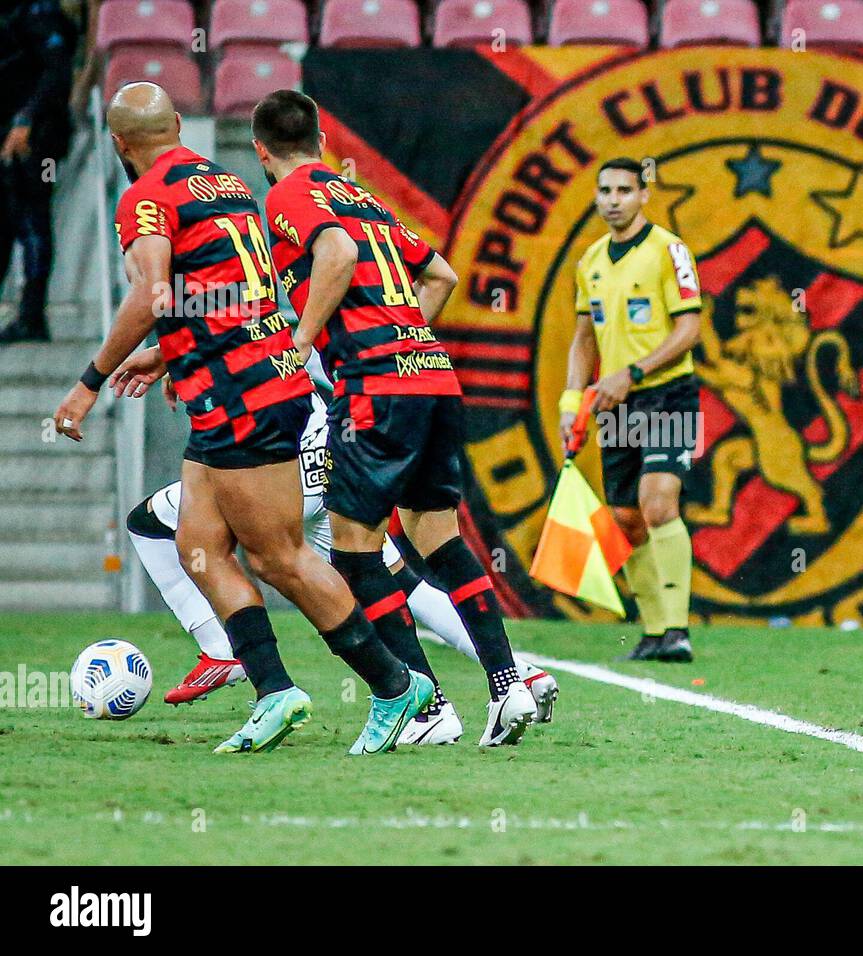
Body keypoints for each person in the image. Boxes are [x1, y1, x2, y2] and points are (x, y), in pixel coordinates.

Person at [56, 82, 433, 756]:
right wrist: (168, 357)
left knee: (278, 556)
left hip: (244, 397)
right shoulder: (226, 184)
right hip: (245, 381)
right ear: (175, 124)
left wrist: (90, 383)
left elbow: (152, 291)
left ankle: (393, 684)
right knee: (197, 543)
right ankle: (275, 690)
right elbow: (228, 295)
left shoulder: (146, 199)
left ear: (118, 145)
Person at [252, 89, 537, 747]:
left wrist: (302, 343)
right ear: (322, 142)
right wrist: (404, 337)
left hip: (376, 389)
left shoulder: (290, 195)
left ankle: (428, 704)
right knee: (438, 537)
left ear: (263, 152)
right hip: (433, 376)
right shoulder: (362, 197)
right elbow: (440, 275)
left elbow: (338, 257)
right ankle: (507, 686)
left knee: (354, 548)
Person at [114, 365, 559, 736]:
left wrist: (101, 378)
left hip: (275, 458)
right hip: (324, 444)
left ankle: (224, 648)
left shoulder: (230, 292)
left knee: (153, 525)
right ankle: (515, 673)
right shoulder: (267, 297)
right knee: (396, 579)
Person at [562, 158, 702, 663]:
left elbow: (689, 330)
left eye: (624, 189)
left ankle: (679, 630)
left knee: (659, 502)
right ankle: (656, 629)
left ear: (645, 195)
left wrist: (634, 373)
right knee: (625, 520)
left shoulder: (669, 250)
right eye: (604, 190)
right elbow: (582, 340)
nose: (613, 199)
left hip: (667, 392)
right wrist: (571, 401)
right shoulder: (591, 260)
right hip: (614, 401)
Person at [0, 0, 75, 343]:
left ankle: (32, 316)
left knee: (32, 215)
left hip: (37, 137)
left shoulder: (39, 12)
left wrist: (25, 120)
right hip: (8, 130)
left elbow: (57, 71)